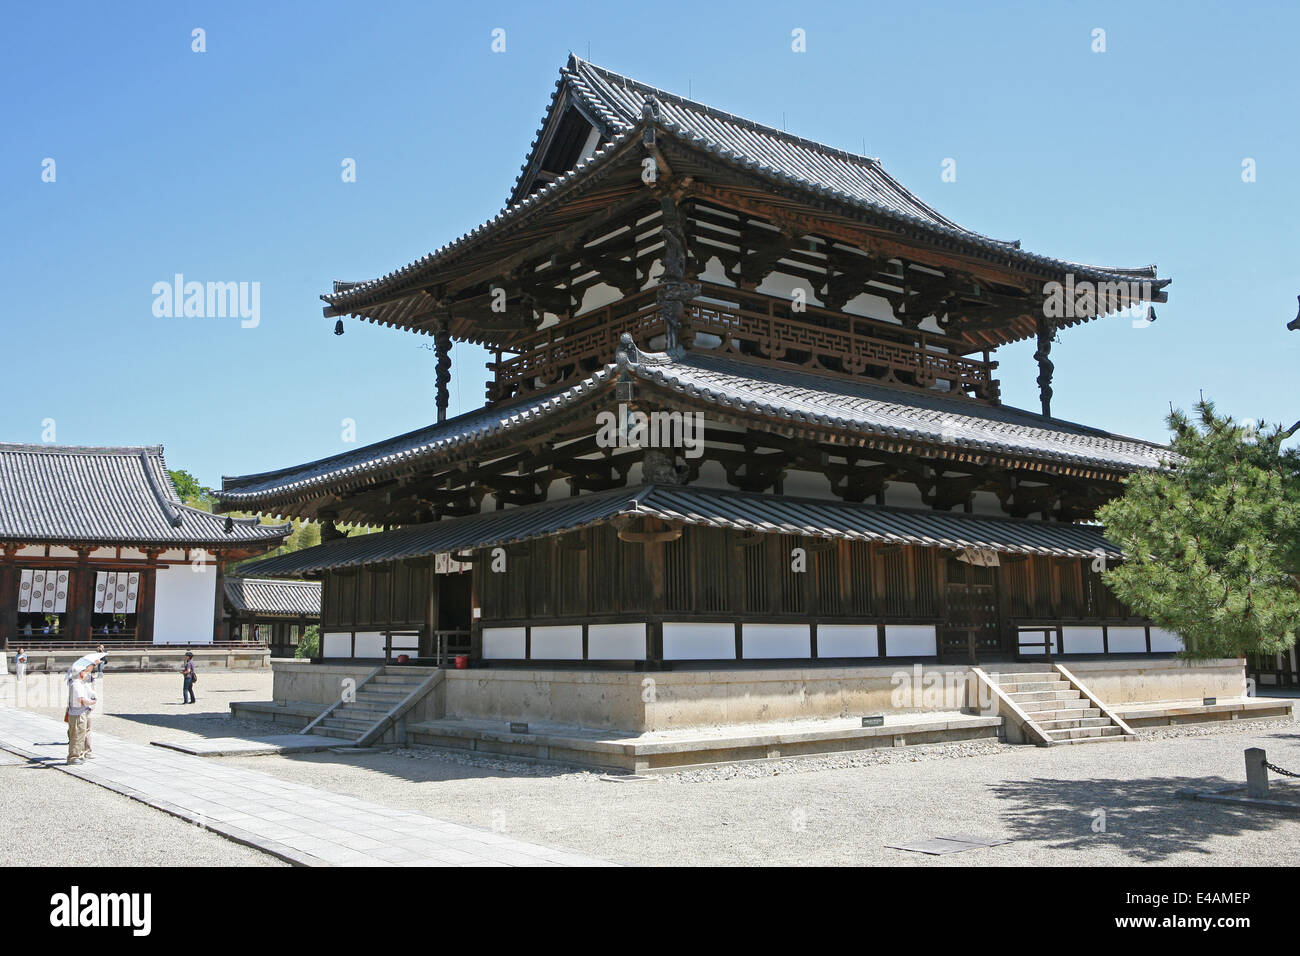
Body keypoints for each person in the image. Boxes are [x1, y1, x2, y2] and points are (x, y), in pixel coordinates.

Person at [67, 664, 96, 764]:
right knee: (77, 736)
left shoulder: (78, 683)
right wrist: (91, 702)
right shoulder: (77, 684)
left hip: (78, 712)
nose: (86, 673)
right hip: (77, 713)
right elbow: (81, 700)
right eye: (84, 671)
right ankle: (73, 756)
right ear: (80, 673)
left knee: (80, 735)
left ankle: (78, 754)